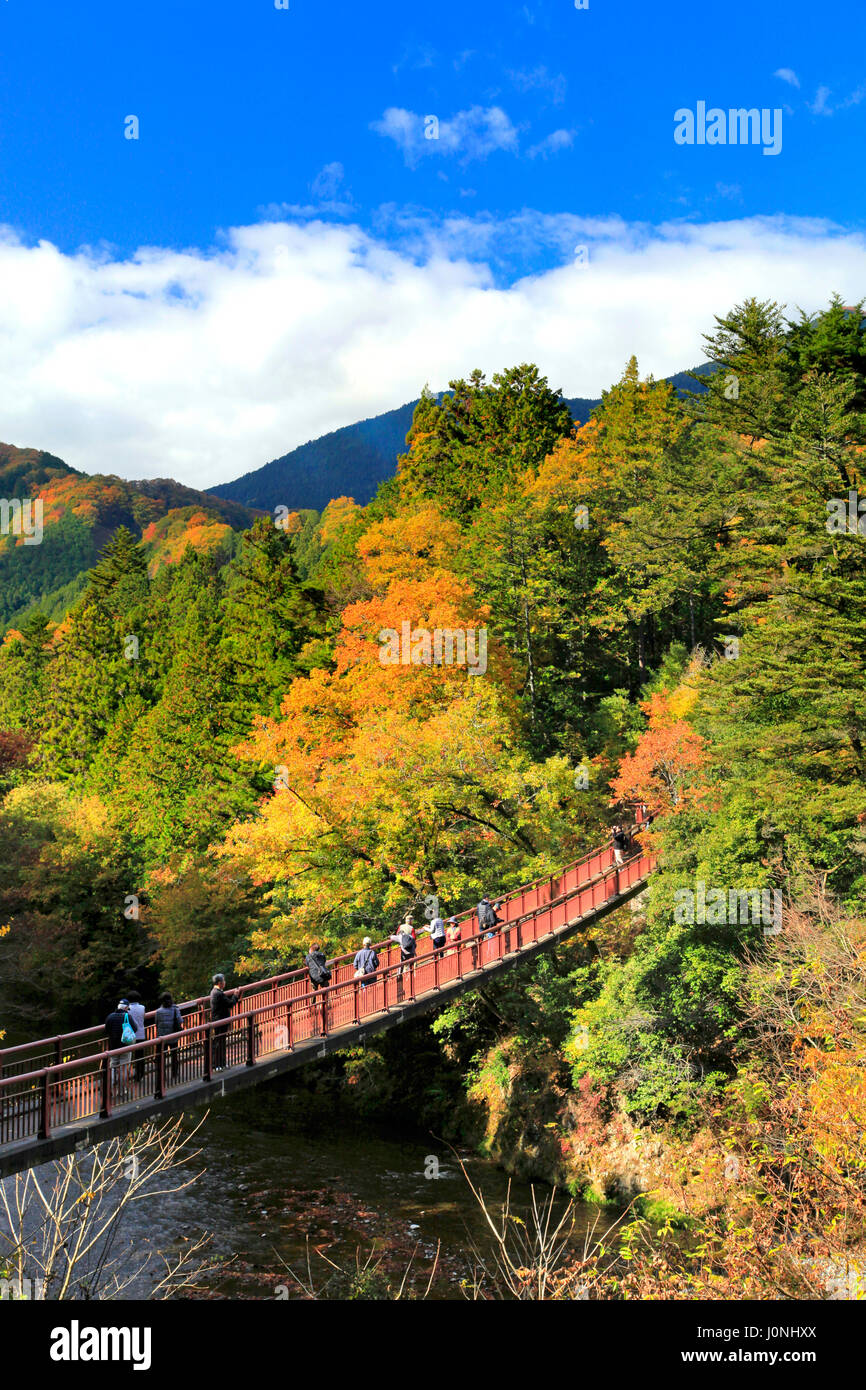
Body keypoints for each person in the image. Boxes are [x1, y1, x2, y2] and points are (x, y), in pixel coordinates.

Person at [104, 999, 133, 1100]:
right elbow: (135, 1028)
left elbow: (106, 1030)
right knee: (123, 1069)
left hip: (113, 1047)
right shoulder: (127, 1016)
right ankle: (122, 1091)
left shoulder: (110, 1017)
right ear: (125, 1008)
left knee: (112, 1068)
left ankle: (110, 1090)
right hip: (125, 1046)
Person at [210, 973, 238, 1071]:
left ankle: (221, 1064)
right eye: (223, 981)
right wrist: (235, 995)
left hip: (219, 1020)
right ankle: (216, 1065)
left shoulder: (215, 992)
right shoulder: (218, 993)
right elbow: (230, 1004)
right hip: (220, 1021)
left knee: (220, 1042)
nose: (225, 982)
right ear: (220, 983)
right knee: (218, 1043)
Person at [155, 992, 184, 1083]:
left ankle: (161, 1075)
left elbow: (156, 1023)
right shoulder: (175, 1009)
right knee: (174, 1055)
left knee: (161, 1056)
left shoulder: (158, 1011)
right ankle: (175, 1073)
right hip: (173, 1036)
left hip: (162, 1038)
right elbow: (180, 1020)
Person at [305, 940, 331, 1035]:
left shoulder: (308, 956)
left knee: (313, 989)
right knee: (325, 986)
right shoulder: (322, 955)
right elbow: (323, 962)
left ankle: (312, 1007)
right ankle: (326, 1002)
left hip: (314, 977)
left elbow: (307, 964)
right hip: (323, 975)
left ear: (311, 949)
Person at [126, 990, 147, 1084]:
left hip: (130, 1035)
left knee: (129, 1056)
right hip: (141, 1034)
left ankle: (130, 1074)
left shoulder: (127, 1009)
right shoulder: (142, 1007)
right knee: (140, 1056)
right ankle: (140, 1074)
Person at [389, 922, 417, 993]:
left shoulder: (399, 937)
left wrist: (391, 936)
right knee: (410, 964)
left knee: (401, 963)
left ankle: (399, 975)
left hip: (404, 954)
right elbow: (415, 944)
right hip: (411, 953)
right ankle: (410, 976)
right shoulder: (410, 936)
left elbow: (392, 937)